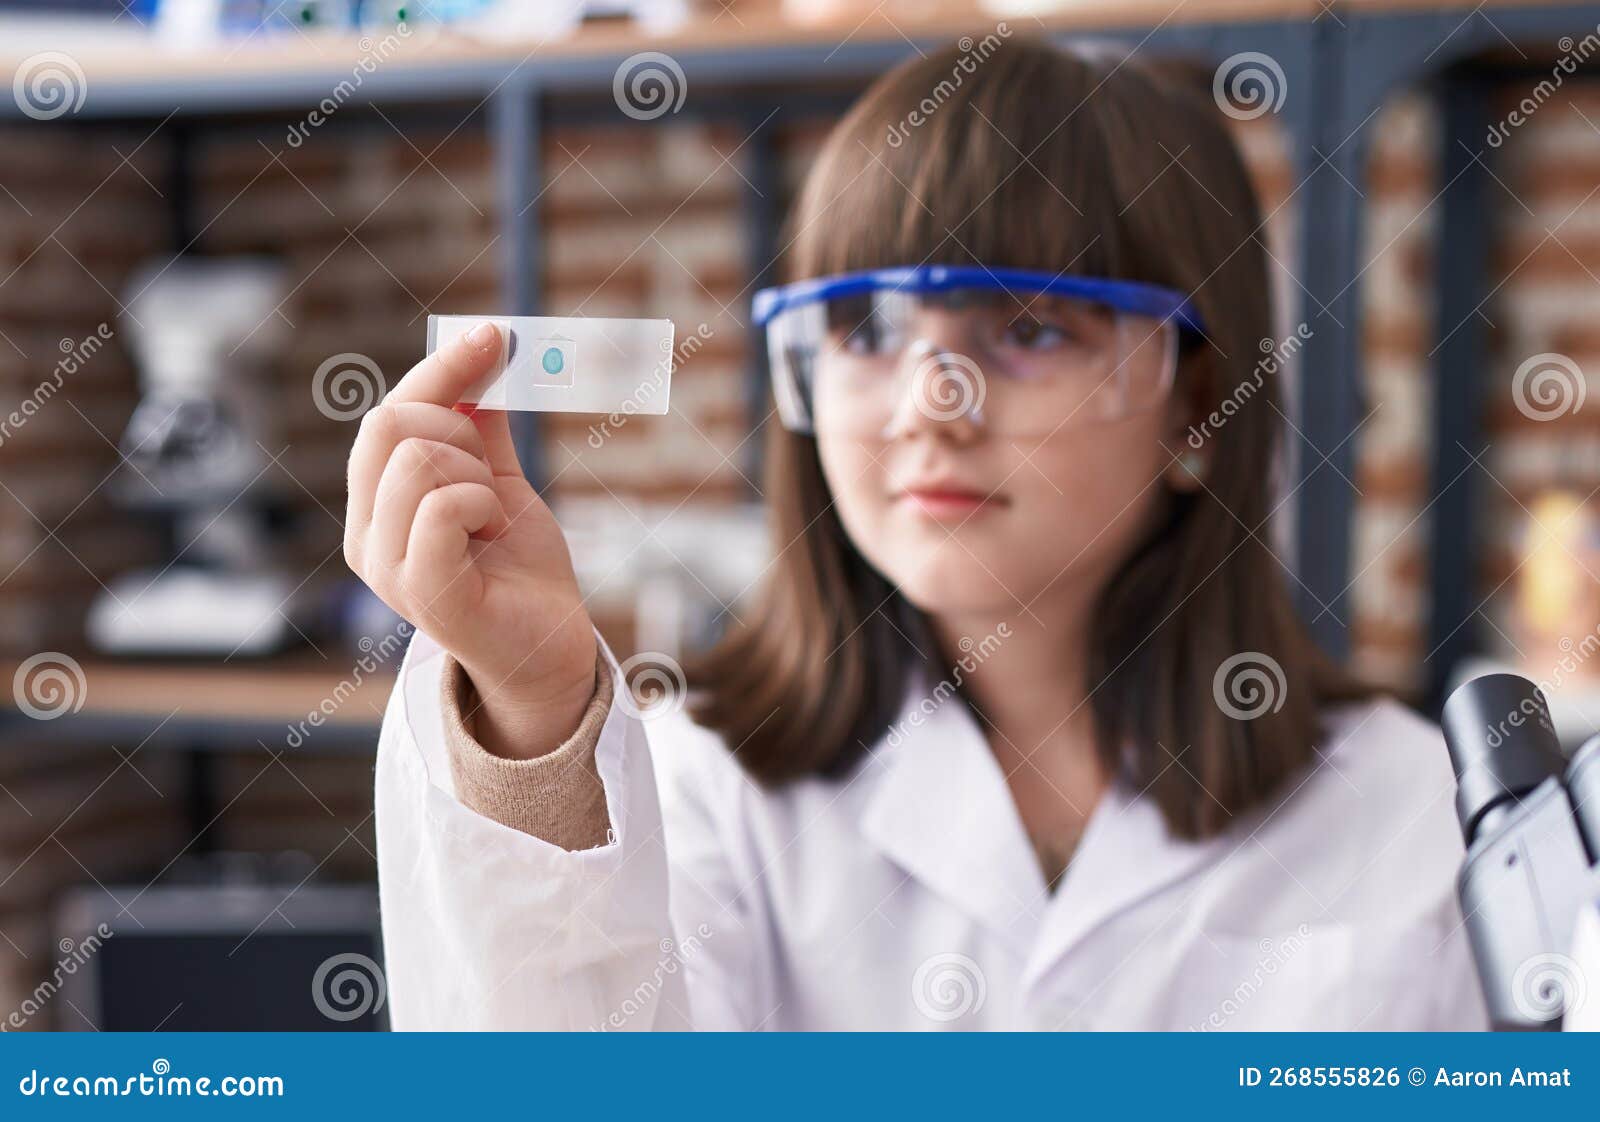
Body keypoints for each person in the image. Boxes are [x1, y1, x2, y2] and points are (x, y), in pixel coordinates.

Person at [346, 38, 1484, 1030]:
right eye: (864, 328)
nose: (927, 407)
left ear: (1195, 403)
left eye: (1029, 328)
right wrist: (531, 711)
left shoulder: (1407, 803)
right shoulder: (708, 789)